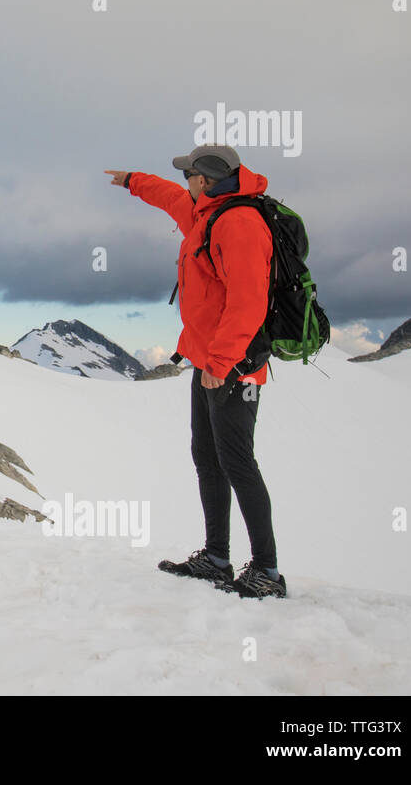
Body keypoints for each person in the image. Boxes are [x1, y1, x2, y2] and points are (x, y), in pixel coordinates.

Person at [105, 145, 287, 599]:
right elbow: (170, 197)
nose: (185, 179)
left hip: (234, 365)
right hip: (207, 360)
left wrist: (222, 362)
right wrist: (133, 180)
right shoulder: (206, 213)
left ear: (205, 180)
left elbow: (248, 303)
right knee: (207, 459)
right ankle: (216, 558)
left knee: (238, 462)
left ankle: (268, 570)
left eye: (190, 173)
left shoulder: (239, 223)